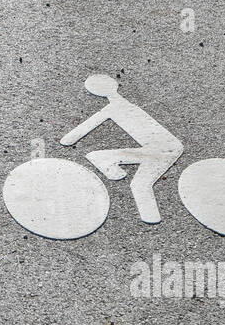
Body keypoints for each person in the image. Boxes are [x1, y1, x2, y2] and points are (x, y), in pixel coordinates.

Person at [60, 74, 183, 224]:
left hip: (162, 149)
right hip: (170, 147)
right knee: (140, 184)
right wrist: (69, 139)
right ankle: (151, 217)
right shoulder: (130, 107)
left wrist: (68, 140)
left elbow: (75, 135)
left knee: (101, 159)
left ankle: (111, 168)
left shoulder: (112, 109)